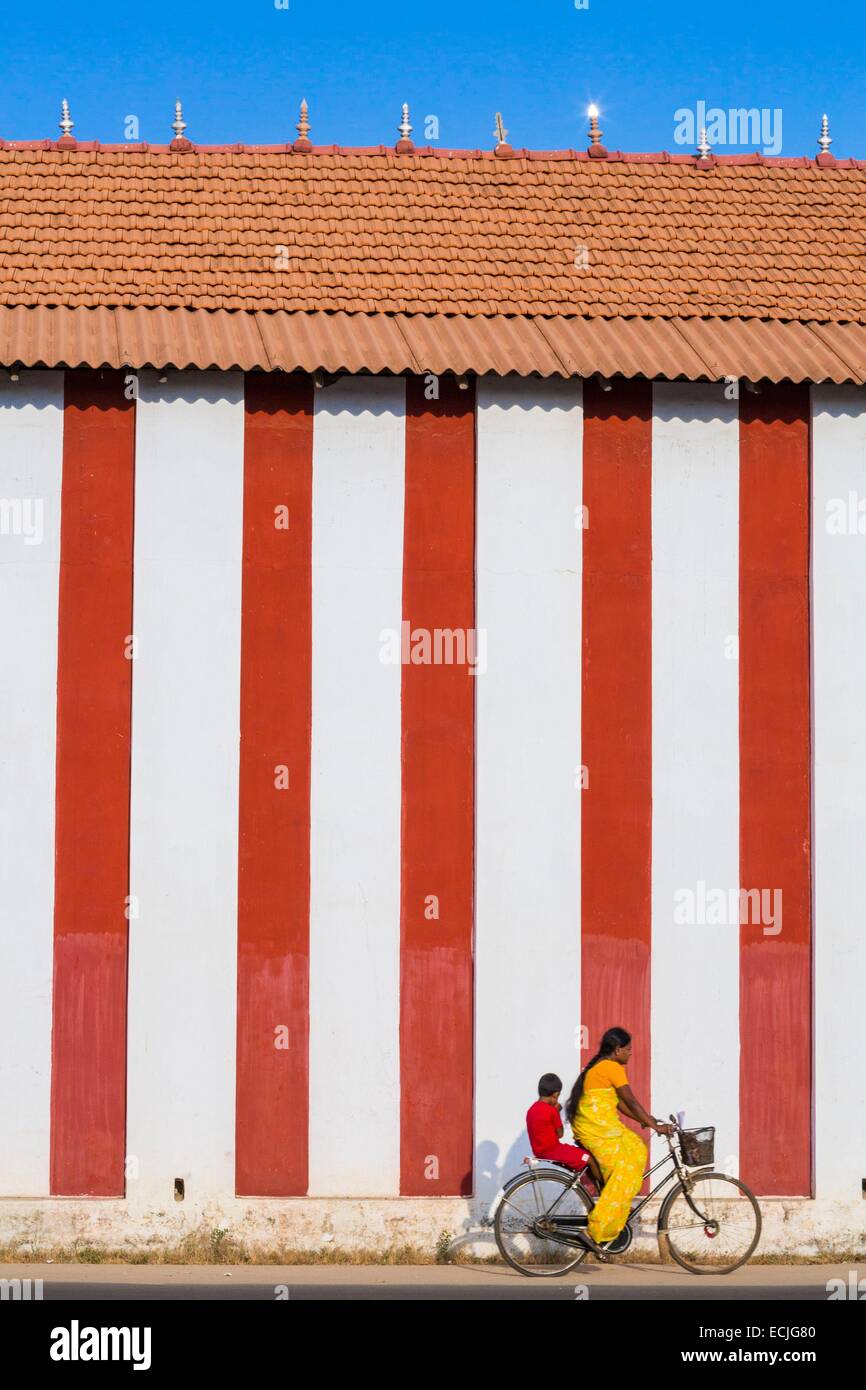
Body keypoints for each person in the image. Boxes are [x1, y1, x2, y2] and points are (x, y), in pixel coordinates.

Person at [565, 1027, 673, 1254]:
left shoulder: (601, 1067)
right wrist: (655, 1126)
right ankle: (595, 1231)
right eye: (628, 1049)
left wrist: (647, 1120)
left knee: (635, 1147)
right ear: (617, 1050)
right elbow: (630, 1101)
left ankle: (610, 1211)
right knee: (624, 1171)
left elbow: (620, 1105)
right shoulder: (611, 1068)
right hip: (596, 1131)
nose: (631, 1053)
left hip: (598, 1128)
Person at [526, 1072, 602, 1188]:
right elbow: (560, 1134)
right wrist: (557, 1111)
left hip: (539, 1152)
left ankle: (598, 1191)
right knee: (589, 1159)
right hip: (554, 1151)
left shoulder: (531, 1110)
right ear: (556, 1094)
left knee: (584, 1162)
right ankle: (607, 1192)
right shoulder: (551, 1111)